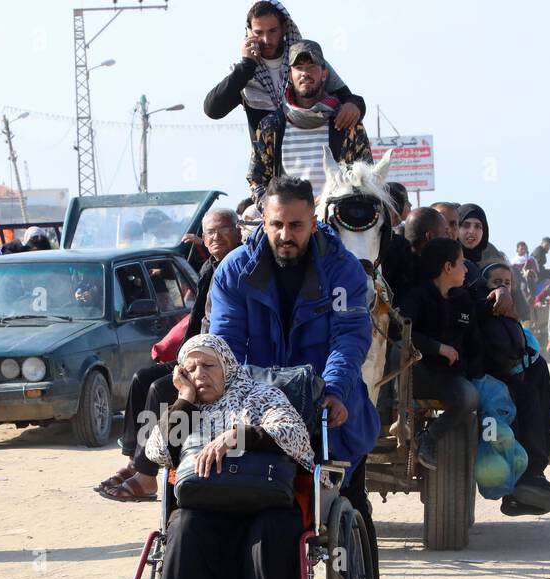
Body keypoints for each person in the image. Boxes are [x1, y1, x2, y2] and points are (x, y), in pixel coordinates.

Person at [210, 175, 382, 579]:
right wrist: (234, 401)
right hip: (261, 407)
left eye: (297, 226)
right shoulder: (234, 272)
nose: (286, 235)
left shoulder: (341, 270)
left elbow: (350, 336)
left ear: (314, 222)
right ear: (262, 222)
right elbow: (226, 344)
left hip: (328, 404)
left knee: (349, 501)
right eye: (277, 224)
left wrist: (335, 389)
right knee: (253, 497)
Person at [113, 334, 316, 579]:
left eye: (208, 366)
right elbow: (156, 453)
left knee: (273, 527)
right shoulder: (188, 408)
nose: (200, 374)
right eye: (191, 369)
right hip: (207, 505)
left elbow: (293, 434)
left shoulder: (260, 395)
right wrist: (185, 399)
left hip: (263, 501)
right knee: (184, 524)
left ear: (228, 368)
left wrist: (238, 436)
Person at [99, 208, 242, 502]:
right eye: (210, 232)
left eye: (223, 230)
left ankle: (148, 474)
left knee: (160, 389)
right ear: (203, 238)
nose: (216, 237)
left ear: (238, 232)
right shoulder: (210, 267)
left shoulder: (240, 267)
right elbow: (195, 321)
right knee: (141, 379)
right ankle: (134, 460)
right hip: (196, 353)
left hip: (222, 361)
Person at [479, 263, 550, 514]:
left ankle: (539, 462)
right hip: (480, 371)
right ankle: (530, 476)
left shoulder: (506, 308)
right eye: (496, 282)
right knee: (522, 395)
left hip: (504, 367)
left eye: (507, 283)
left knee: (538, 368)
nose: (502, 286)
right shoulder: (477, 302)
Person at [204, 1, 365, 141]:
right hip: (269, 169)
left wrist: (354, 105)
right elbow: (213, 110)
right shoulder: (244, 75)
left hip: (314, 161)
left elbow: (350, 99)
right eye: (259, 33)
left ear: (284, 28)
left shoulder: (306, 62)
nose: (266, 40)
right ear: (249, 33)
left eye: (272, 31)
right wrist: (246, 67)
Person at [246, 41, 372, 206]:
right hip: (287, 224)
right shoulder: (271, 127)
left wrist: (334, 200)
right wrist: (275, 210)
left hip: (336, 220)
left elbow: (366, 175)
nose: (305, 73)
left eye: (312, 66)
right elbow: (256, 180)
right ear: (290, 76)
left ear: (324, 74)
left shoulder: (348, 124)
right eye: (298, 67)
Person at [400, 238, 481, 471]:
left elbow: (474, 343)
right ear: (447, 267)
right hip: (418, 375)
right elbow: (400, 333)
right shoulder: (417, 297)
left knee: (470, 397)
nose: (466, 270)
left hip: (450, 378)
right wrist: (437, 347)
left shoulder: (463, 300)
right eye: (462, 263)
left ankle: (428, 437)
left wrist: (476, 374)